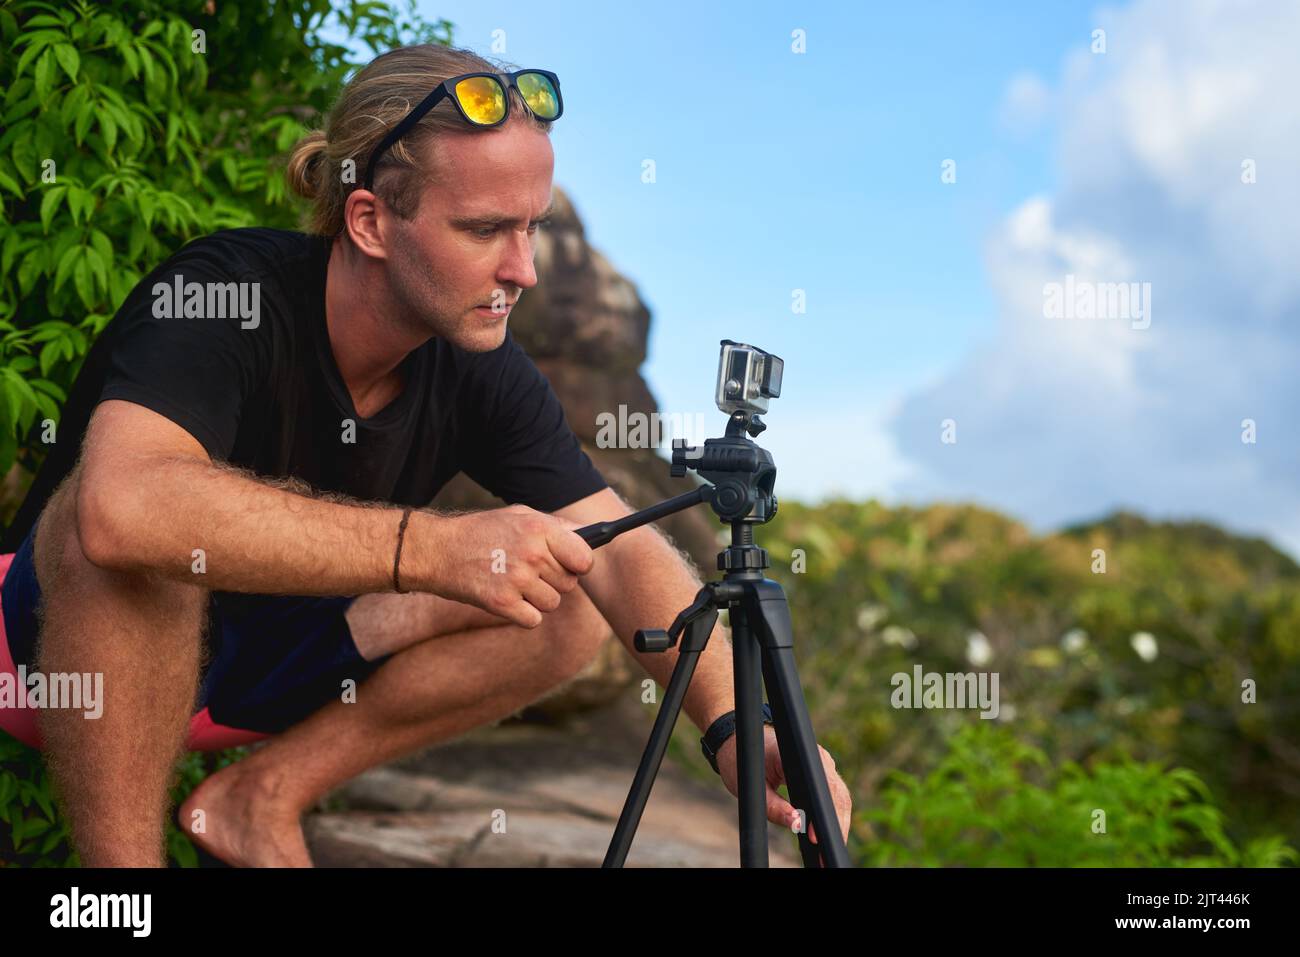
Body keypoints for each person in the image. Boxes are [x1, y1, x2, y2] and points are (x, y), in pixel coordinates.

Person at [0, 43, 851, 867]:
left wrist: (739, 727)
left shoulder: (482, 367)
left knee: (561, 591)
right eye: (485, 229)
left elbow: (620, 544)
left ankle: (258, 799)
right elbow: (120, 511)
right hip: (56, 658)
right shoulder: (227, 291)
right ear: (370, 220)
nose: (522, 269)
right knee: (122, 521)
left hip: (258, 669)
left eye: (531, 228)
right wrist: (432, 548)